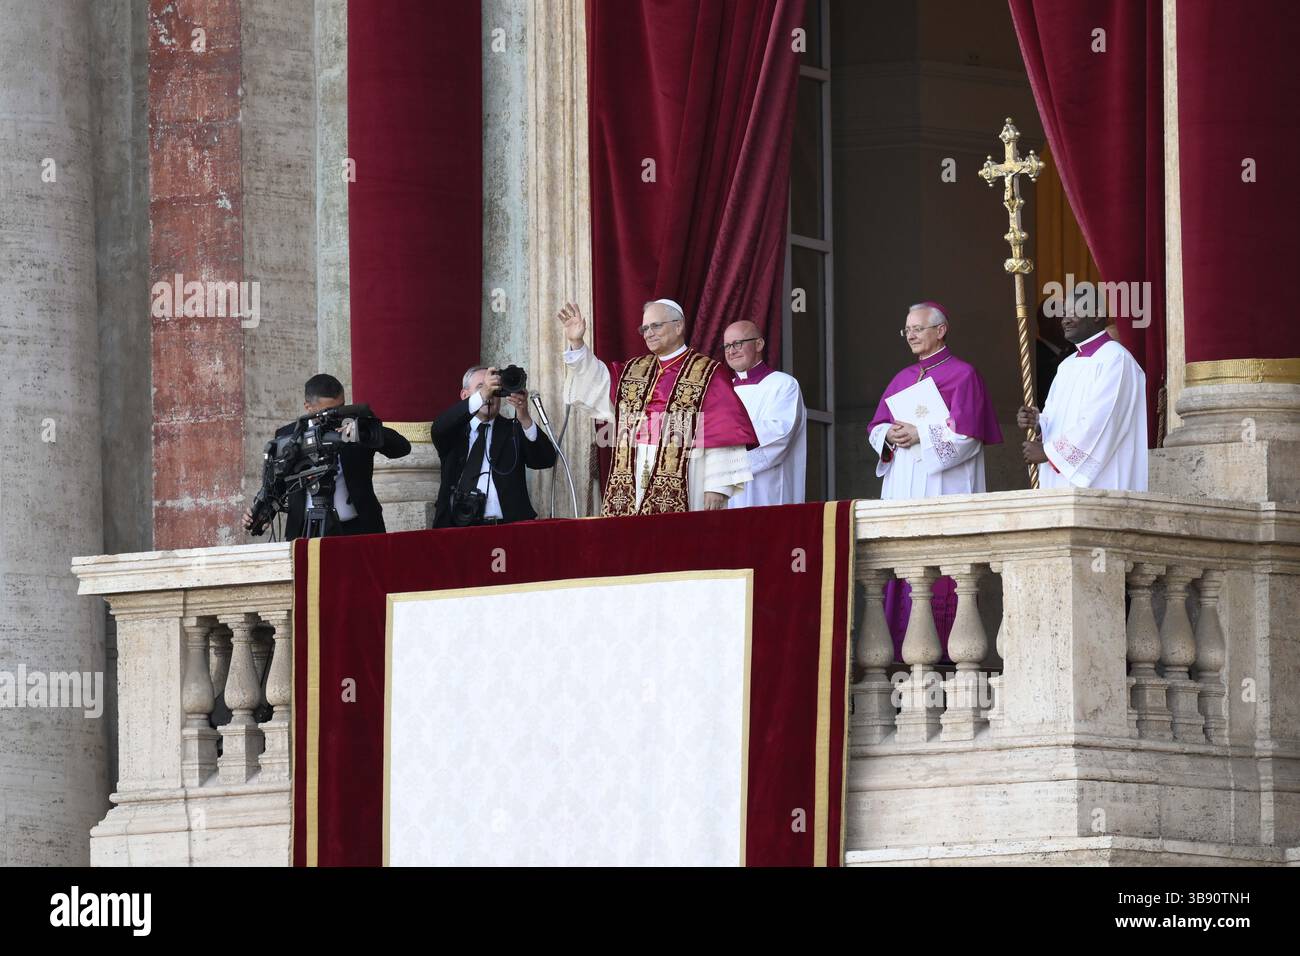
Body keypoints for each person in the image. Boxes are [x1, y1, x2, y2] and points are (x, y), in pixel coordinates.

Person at [867, 302, 1003, 661]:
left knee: (940, 575)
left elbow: (969, 437)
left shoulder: (963, 375)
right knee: (904, 570)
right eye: (907, 330)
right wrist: (889, 434)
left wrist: (922, 434)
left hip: (943, 488)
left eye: (918, 328)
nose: (910, 335)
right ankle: (899, 658)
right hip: (903, 489)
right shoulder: (901, 378)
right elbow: (876, 425)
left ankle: (943, 663)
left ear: (941, 330)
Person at [558, 298, 757, 514]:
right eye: (644, 328)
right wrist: (577, 344)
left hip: (689, 477)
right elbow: (596, 380)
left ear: (678, 326)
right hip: (632, 478)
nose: (649, 333)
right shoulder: (633, 369)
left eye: (656, 325)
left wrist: (717, 487)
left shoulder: (708, 372)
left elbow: (723, 432)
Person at [243, 373, 411, 538]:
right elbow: (277, 484)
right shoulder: (287, 435)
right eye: (330, 411)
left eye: (341, 407)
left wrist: (365, 431)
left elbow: (402, 448)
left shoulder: (356, 424)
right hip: (305, 531)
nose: (337, 415)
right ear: (308, 407)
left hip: (358, 529)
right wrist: (262, 515)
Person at [1018, 294, 1147, 490]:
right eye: (1063, 314)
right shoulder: (1066, 365)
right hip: (1059, 480)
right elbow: (1056, 419)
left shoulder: (1116, 359)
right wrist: (1038, 423)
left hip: (1103, 481)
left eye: (1073, 312)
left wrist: (1050, 453)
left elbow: (1102, 422)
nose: (1065, 320)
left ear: (1096, 314)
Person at [431, 365, 557, 527]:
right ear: (465, 395)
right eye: (481, 387)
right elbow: (439, 427)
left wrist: (524, 417)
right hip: (457, 527)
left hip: (508, 528)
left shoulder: (513, 429)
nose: (489, 394)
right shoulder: (453, 431)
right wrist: (483, 395)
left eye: (494, 389)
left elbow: (545, 459)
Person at [721, 320, 806, 507]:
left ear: (758, 344)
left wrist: (725, 438)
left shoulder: (784, 384)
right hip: (726, 493)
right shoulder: (721, 392)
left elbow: (779, 434)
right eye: (727, 346)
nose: (731, 351)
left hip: (768, 492)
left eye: (737, 344)